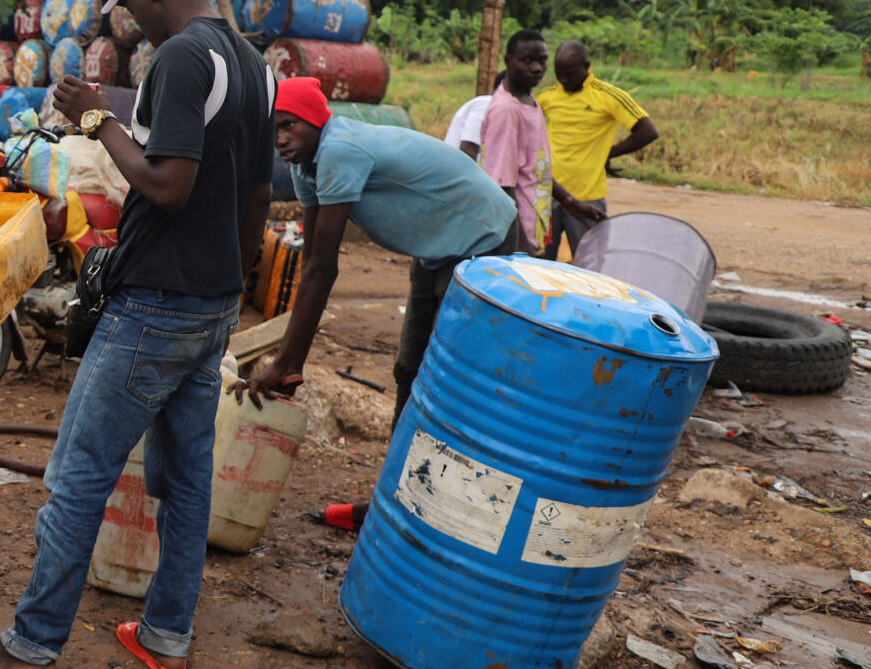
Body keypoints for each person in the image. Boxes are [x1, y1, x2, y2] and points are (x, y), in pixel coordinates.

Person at [0, 0, 275, 669]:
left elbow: (166, 184)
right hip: (212, 302)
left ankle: (30, 646)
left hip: (154, 304)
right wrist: (233, 286)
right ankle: (167, 635)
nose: (131, 22)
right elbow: (256, 194)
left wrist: (96, 117)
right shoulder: (252, 62)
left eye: (132, 4)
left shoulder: (185, 56)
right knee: (186, 480)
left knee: (79, 473)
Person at [243, 78, 523, 423]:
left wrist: (283, 364)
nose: (280, 139)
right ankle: (398, 457)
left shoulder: (340, 149)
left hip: (484, 231)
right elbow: (314, 261)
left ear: (315, 120)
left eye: (289, 125)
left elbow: (322, 270)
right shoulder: (304, 163)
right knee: (408, 366)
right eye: (273, 131)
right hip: (436, 245)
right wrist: (289, 367)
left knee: (446, 365)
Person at [537, 40, 658, 258]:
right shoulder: (547, 96)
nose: (564, 79)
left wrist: (607, 153)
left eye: (570, 73)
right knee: (538, 264)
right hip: (548, 195)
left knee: (590, 263)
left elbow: (648, 131)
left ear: (587, 66)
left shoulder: (607, 95)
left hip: (587, 198)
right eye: (559, 73)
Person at [477, 29, 557, 253]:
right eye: (527, 61)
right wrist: (520, 245)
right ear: (508, 61)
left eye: (542, 61)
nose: (537, 68)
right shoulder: (507, 110)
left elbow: (534, 167)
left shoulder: (529, 100)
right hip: (517, 236)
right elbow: (502, 184)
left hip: (533, 225)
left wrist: (570, 201)